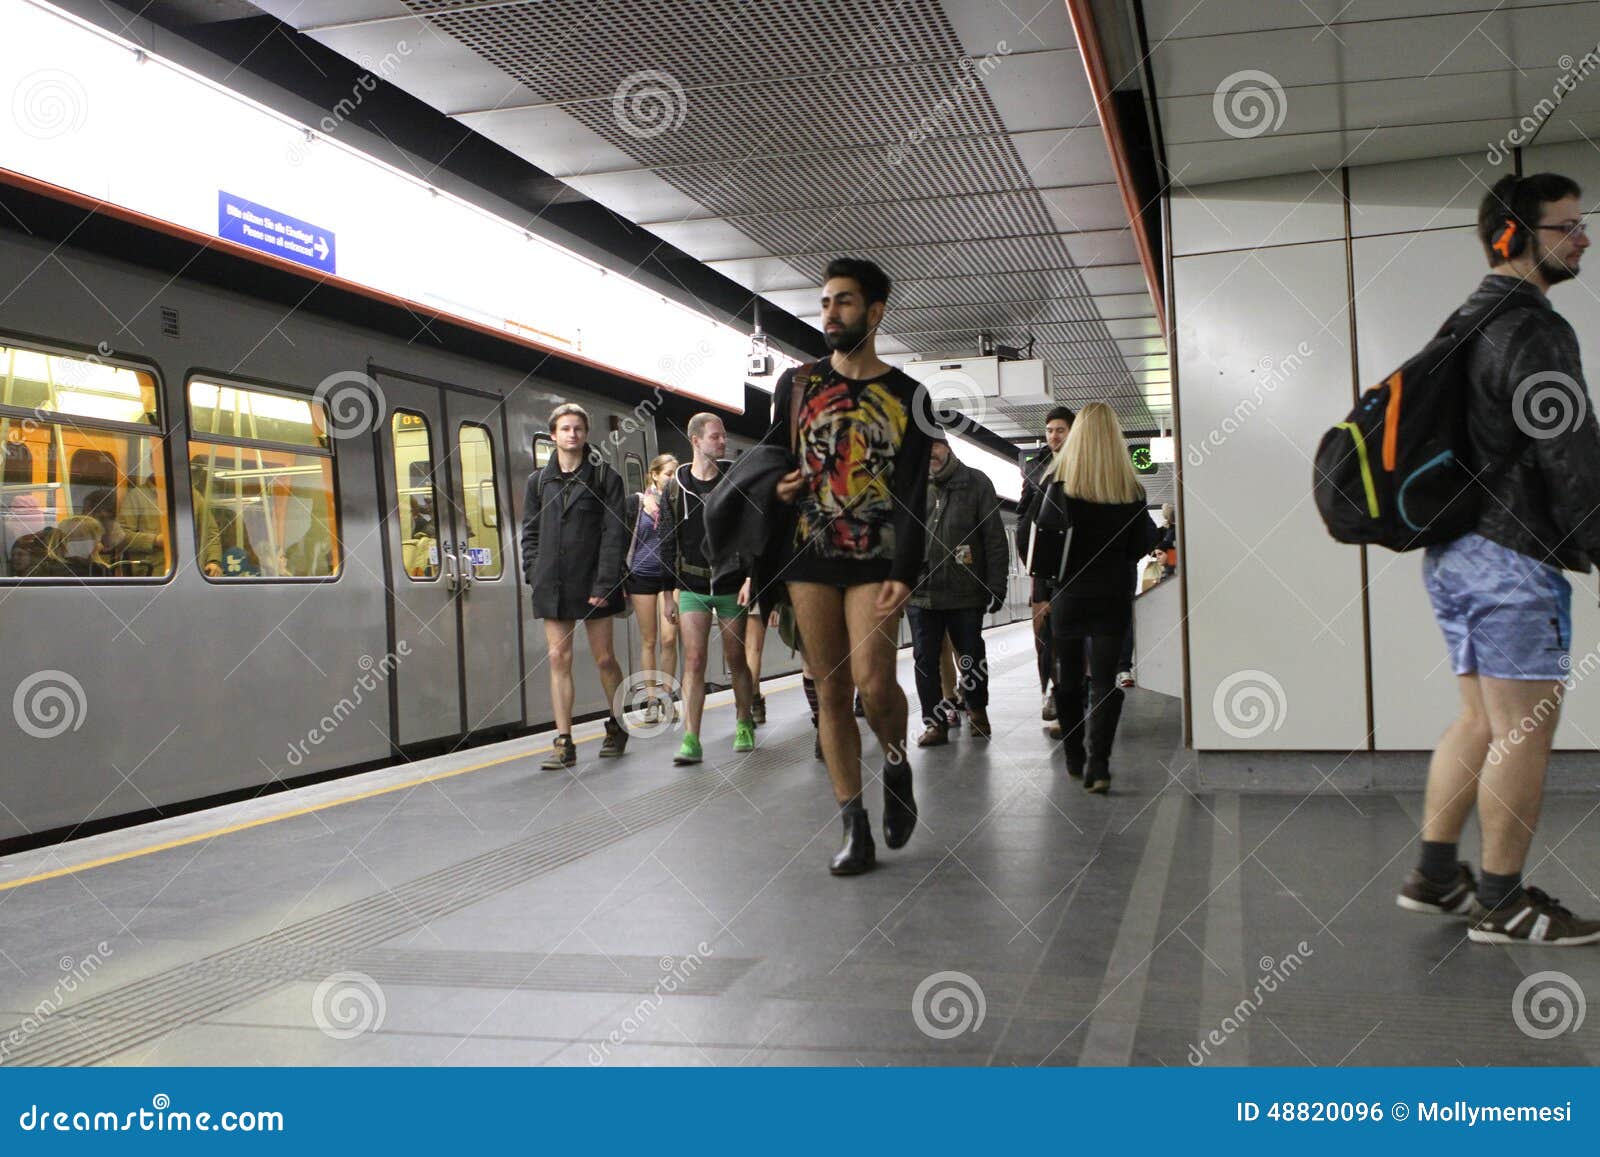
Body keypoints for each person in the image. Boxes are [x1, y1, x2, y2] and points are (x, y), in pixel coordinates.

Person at [1395, 172, 1600, 945]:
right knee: (1523, 728)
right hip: (1512, 556)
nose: (1582, 239)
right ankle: (1504, 901)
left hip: (1454, 553)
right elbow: (1569, 448)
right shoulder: (1535, 329)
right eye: (1565, 227)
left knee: (1481, 718)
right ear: (1513, 236)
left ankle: (1435, 874)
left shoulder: (1466, 321)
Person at [768, 256, 936, 875]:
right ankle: (853, 826)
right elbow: (772, 459)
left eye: (843, 301)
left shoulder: (911, 396)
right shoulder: (797, 385)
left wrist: (906, 569)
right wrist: (778, 488)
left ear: (875, 311)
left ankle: (896, 762)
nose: (830, 313)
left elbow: (914, 491)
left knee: (873, 681)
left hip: (876, 558)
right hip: (808, 554)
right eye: (825, 302)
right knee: (830, 687)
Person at [1036, 402, 1159, 793]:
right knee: (1105, 680)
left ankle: (1074, 758)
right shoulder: (1131, 490)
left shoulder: (1058, 484)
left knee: (1069, 679)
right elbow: (1140, 546)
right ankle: (1099, 766)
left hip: (1069, 595)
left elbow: (1043, 546)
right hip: (1112, 595)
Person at [521, 402, 629, 769]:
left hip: (594, 581)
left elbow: (614, 534)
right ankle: (564, 741)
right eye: (565, 428)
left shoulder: (605, 478)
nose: (572, 434)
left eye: (578, 428)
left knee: (604, 658)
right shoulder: (538, 482)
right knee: (558, 658)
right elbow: (530, 532)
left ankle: (616, 724)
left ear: (586, 434)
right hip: (552, 582)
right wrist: (534, 571)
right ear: (553, 435)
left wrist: (606, 581)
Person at [659, 413, 756, 765]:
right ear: (696, 441)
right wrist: (667, 594)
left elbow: (751, 532)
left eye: (723, 436)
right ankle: (691, 739)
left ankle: (744, 720)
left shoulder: (735, 481)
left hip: (731, 583)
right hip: (691, 584)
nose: (722, 441)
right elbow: (666, 540)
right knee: (694, 660)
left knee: (735, 658)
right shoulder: (674, 488)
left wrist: (751, 578)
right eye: (715, 436)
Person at [908, 432, 1007, 746]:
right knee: (925, 661)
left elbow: (994, 538)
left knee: (971, 656)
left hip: (965, 591)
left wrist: (997, 585)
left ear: (947, 448)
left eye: (935, 446)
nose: (930, 454)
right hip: (921, 592)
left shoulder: (976, 483)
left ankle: (977, 711)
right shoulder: (911, 485)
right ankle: (934, 724)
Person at [1018, 407, 1074, 720]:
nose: (1054, 436)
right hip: (1042, 565)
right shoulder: (1034, 466)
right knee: (1044, 636)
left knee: (1070, 633)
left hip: (1073, 564)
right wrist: (1029, 557)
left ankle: (1073, 692)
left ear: (1072, 432)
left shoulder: (1082, 463)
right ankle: (1053, 690)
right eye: (1050, 430)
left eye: (1060, 430)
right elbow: (1024, 512)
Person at [624, 453, 679, 724]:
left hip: (670, 578)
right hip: (642, 577)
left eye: (675, 474)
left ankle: (667, 698)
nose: (672, 478)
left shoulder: (678, 503)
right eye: (668, 474)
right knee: (649, 640)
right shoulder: (637, 503)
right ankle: (651, 700)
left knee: (669, 639)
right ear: (654, 475)